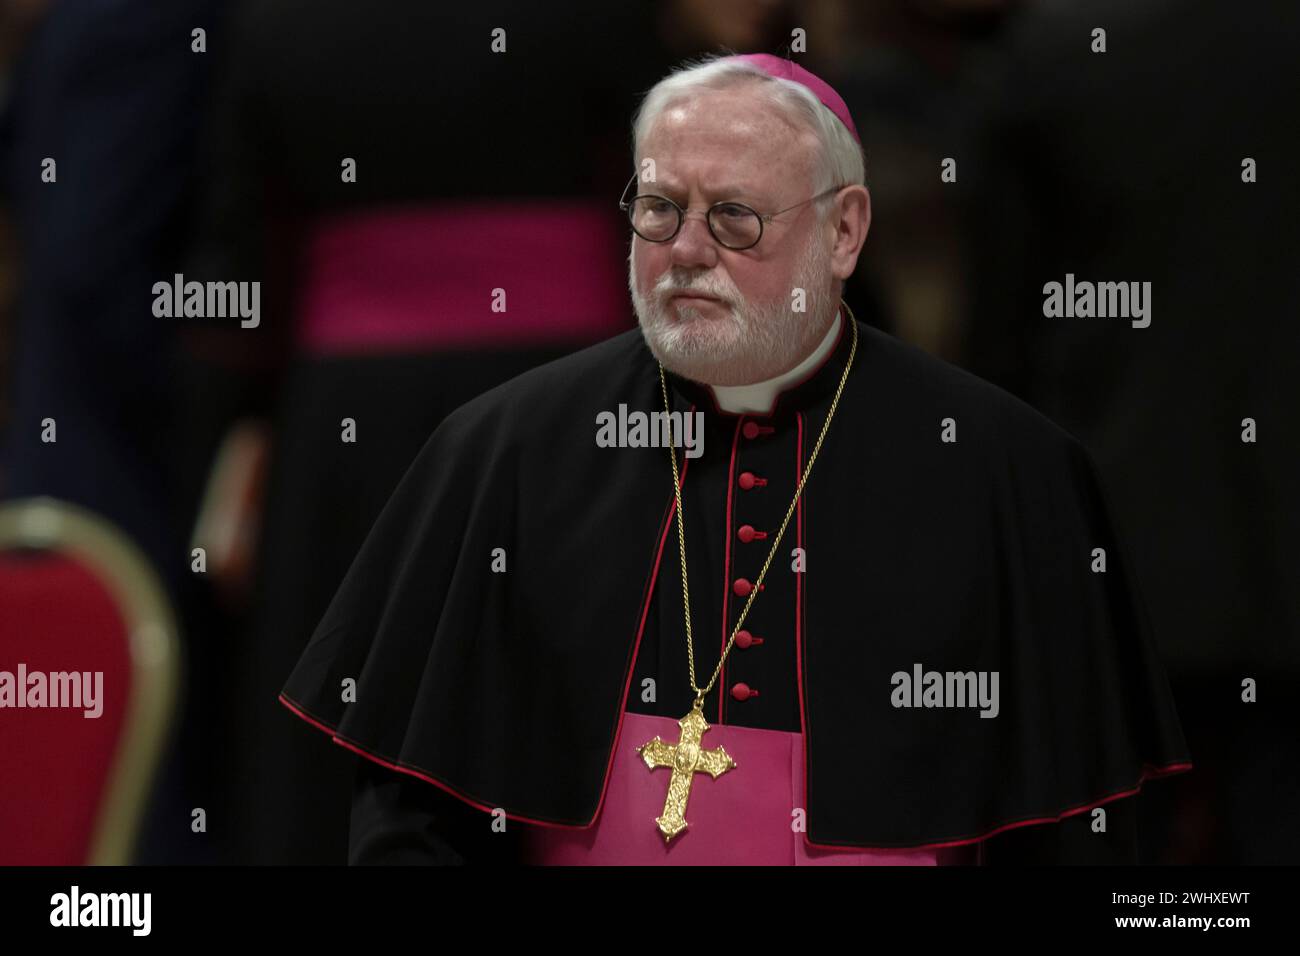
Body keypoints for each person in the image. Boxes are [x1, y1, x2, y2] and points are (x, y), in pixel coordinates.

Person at [279, 53, 1191, 865]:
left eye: (735, 218)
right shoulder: (500, 451)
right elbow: (411, 820)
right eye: (660, 208)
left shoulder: (1006, 471)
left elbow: (1079, 830)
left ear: (843, 233)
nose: (683, 253)